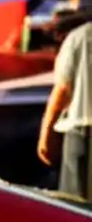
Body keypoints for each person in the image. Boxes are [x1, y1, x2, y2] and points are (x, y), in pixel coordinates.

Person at [39, 20, 92, 197]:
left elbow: (62, 89)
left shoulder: (79, 37)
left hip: (81, 134)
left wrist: (46, 134)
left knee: (77, 204)